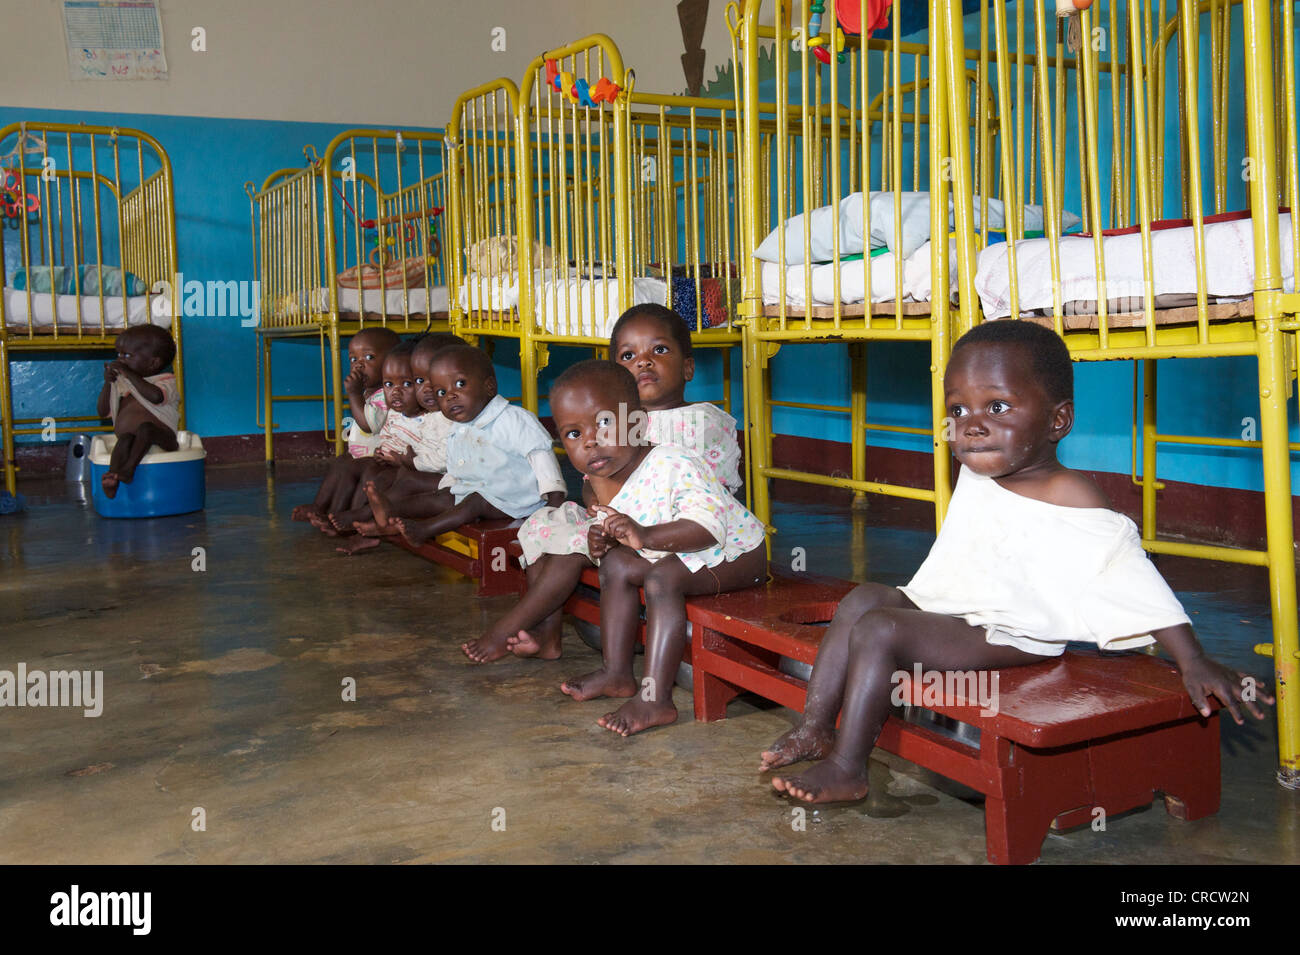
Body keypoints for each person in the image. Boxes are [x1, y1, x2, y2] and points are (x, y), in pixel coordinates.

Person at [760, 319, 1275, 803]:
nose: (972, 427)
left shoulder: (1070, 493)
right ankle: (815, 728)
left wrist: (1192, 659)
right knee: (865, 596)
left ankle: (850, 769)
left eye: (998, 408)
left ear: (1058, 420)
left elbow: (1132, 576)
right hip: (955, 607)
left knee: (878, 628)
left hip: (1011, 632)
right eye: (958, 411)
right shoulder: (983, 469)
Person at [462, 304, 744, 663]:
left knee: (567, 553)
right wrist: (597, 507)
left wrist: (626, 522)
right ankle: (547, 636)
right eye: (629, 355)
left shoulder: (702, 421)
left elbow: (708, 495)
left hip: (673, 531)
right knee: (546, 527)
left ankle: (507, 629)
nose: (643, 362)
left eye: (658, 350)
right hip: (617, 520)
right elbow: (591, 483)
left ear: (687, 366)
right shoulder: (606, 424)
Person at [531, 360, 766, 736]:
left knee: (661, 580)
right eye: (574, 433)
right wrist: (603, 537)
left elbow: (708, 528)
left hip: (736, 553)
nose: (590, 440)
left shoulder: (674, 461)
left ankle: (656, 699)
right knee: (616, 567)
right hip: (680, 551)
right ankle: (616, 673)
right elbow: (623, 530)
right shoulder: (605, 478)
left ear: (638, 421)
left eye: (604, 422)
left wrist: (645, 536)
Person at [365, 344, 565, 546]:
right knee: (439, 498)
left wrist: (554, 497)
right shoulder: (459, 427)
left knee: (474, 502)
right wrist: (448, 489)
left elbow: (541, 455)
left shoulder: (514, 419)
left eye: (460, 384)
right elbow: (457, 467)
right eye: (441, 392)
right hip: (476, 492)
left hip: (517, 500)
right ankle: (391, 510)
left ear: (489, 387)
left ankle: (424, 530)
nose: (450, 396)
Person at [292, 327, 400, 527]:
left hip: (381, 458)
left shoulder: (389, 394)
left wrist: (354, 395)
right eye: (353, 360)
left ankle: (343, 517)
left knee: (352, 470)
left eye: (368, 357)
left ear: (392, 363)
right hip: (362, 454)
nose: (359, 365)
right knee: (342, 462)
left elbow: (368, 425)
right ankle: (321, 508)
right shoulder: (369, 392)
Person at [96, 325, 180, 499]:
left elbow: (156, 397)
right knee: (125, 438)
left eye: (127, 355)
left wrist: (127, 373)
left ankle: (128, 470)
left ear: (153, 363)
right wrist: (108, 383)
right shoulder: (121, 383)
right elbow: (102, 411)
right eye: (118, 354)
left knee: (146, 428)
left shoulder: (166, 381)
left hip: (163, 438)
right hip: (131, 439)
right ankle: (113, 477)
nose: (120, 360)